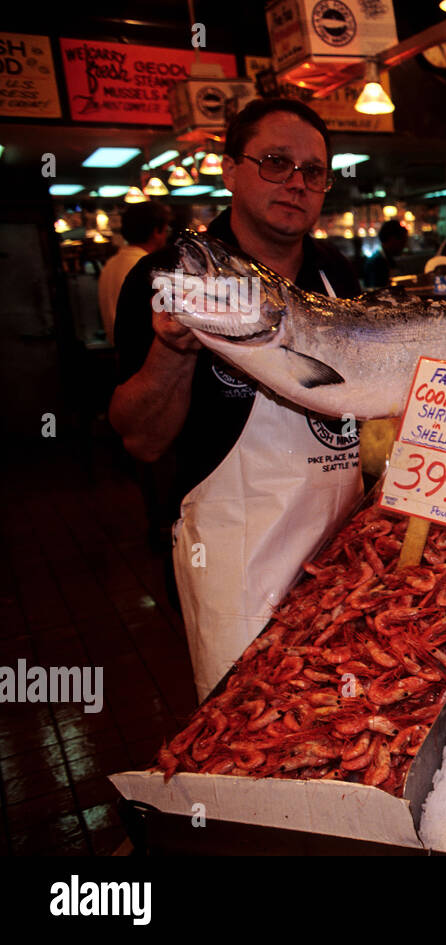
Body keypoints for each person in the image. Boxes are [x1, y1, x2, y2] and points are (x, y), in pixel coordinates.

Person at [109, 97, 363, 697]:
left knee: (343, 718)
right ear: (229, 169)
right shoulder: (172, 276)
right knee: (255, 727)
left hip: (344, 546)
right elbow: (140, 440)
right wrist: (172, 350)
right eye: (275, 163)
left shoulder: (337, 273)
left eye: (314, 172)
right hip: (236, 557)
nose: (296, 183)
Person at [98, 202, 169, 343]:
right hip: (145, 356)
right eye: (166, 230)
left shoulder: (110, 264)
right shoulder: (149, 271)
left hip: (121, 354)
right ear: (157, 231)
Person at [362, 219, 408, 288]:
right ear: (392, 239)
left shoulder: (387, 258)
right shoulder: (377, 262)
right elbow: (377, 290)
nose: (404, 246)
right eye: (402, 242)